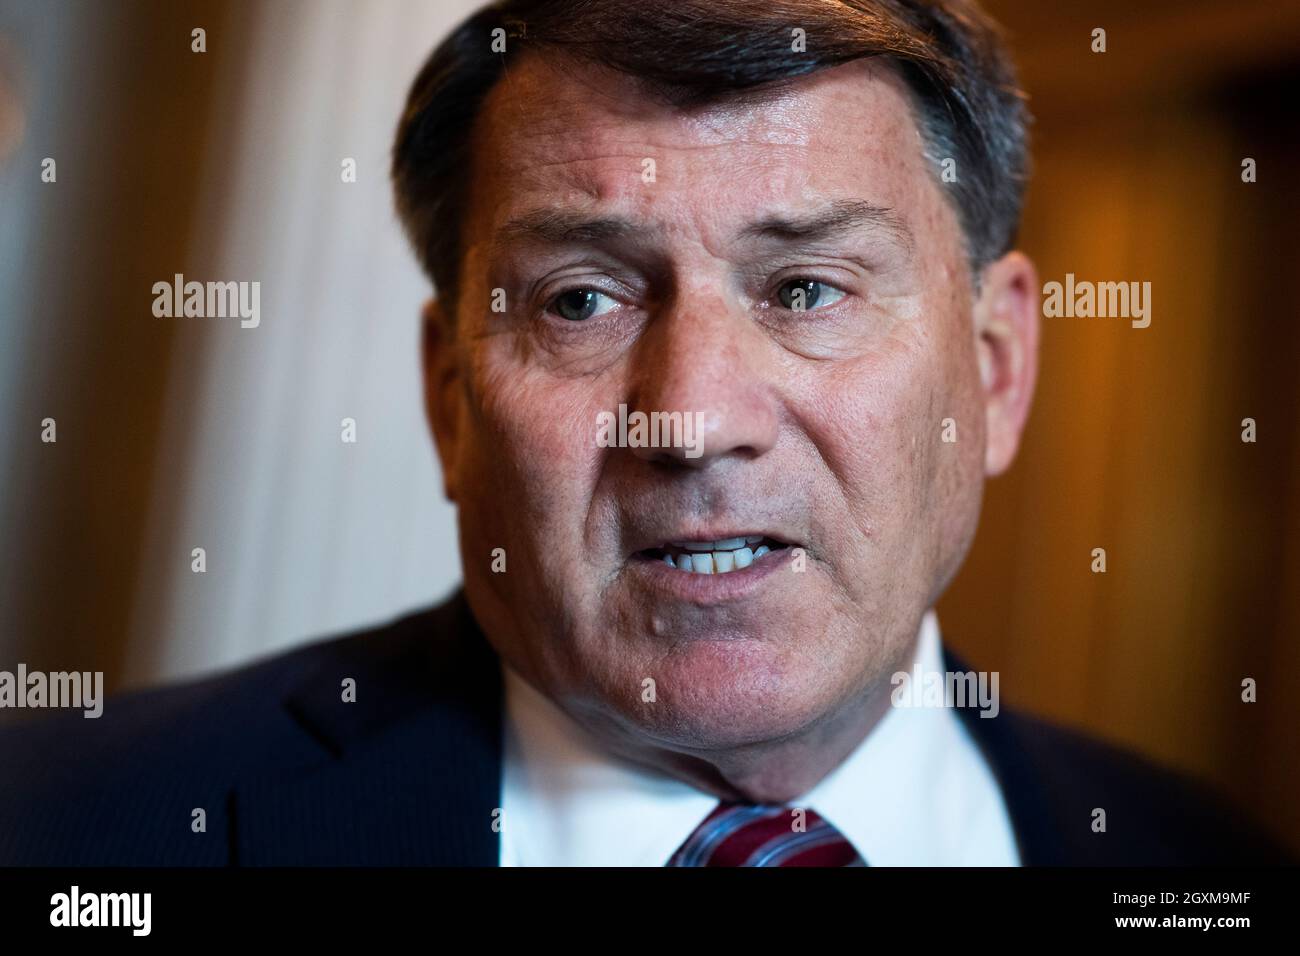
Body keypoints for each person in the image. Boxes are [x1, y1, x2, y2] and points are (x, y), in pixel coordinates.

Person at [0, 0, 1290, 866]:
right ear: (451, 401)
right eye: (582, 300)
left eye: (807, 290)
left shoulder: (1207, 865)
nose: (697, 421)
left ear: (998, 374)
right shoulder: (68, 832)